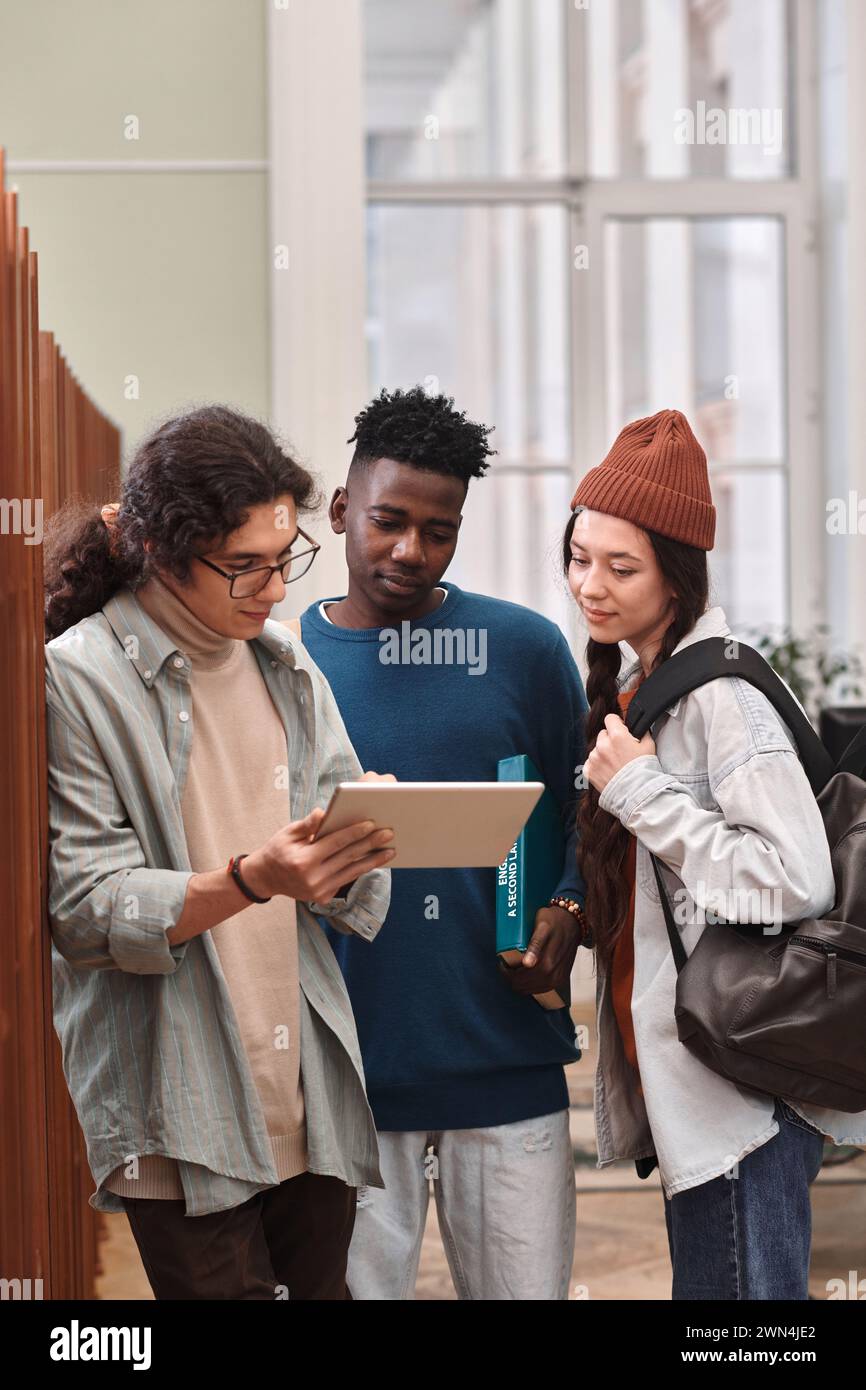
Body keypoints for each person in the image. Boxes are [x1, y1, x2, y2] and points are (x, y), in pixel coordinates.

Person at [43, 405, 395, 1300]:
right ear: (163, 550)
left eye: (287, 560)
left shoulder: (287, 666)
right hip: (180, 1099)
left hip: (305, 1086)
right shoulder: (74, 677)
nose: (275, 589)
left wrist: (358, 846)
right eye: (245, 567)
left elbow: (348, 890)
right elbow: (86, 909)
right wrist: (249, 879)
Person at [290, 386, 591, 1300]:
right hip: (344, 1084)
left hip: (506, 1064)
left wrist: (568, 905)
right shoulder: (282, 664)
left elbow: (589, 813)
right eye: (387, 521)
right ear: (342, 511)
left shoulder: (526, 649)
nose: (410, 551)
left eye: (440, 530)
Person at [565, 406, 866, 1300]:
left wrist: (640, 793)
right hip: (710, 1075)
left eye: (622, 567)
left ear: (678, 574)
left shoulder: (721, 700)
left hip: (742, 1089)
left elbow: (794, 878)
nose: (592, 585)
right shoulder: (648, 680)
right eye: (580, 557)